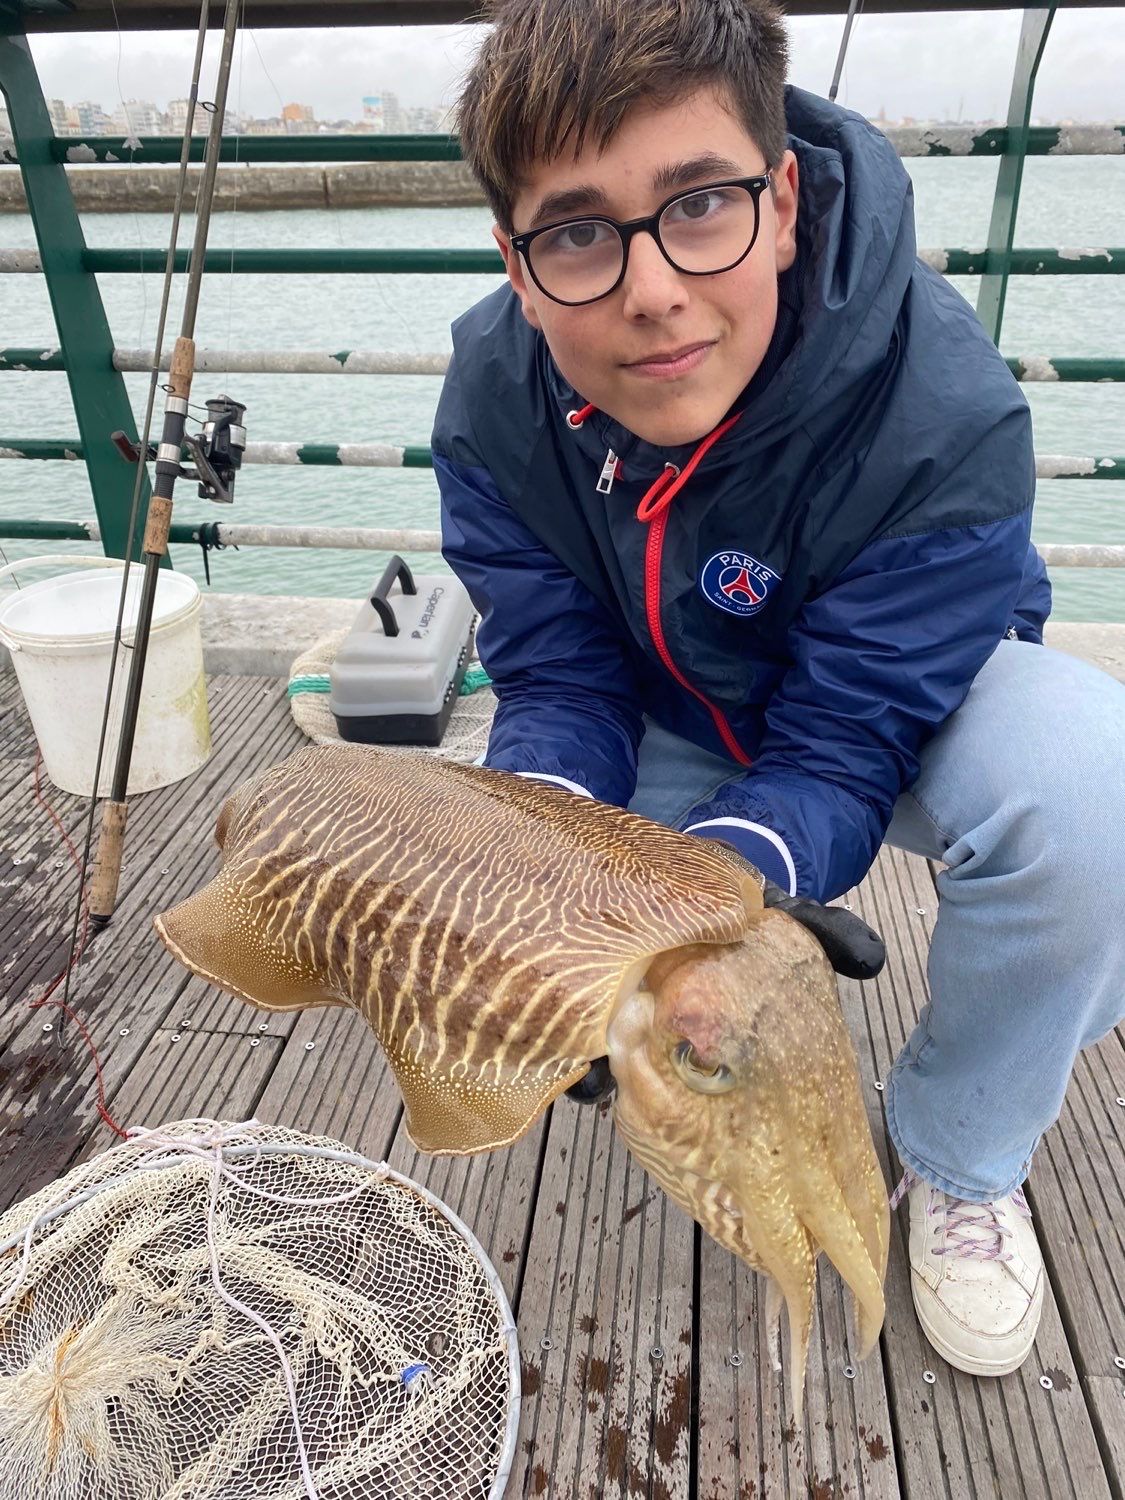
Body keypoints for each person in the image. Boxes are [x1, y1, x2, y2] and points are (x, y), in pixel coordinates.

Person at [431, 0, 1125, 1379]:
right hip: (661, 712)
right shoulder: (492, 402)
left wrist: (714, 888)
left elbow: (846, 741)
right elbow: (555, 676)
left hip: (898, 716)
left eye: (700, 204)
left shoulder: (945, 411)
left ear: (786, 197)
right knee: (507, 856)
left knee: (1095, 795)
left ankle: (962, 1155)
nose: (650, 290)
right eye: (577, 233)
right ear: (516, 262)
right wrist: (547, 864)